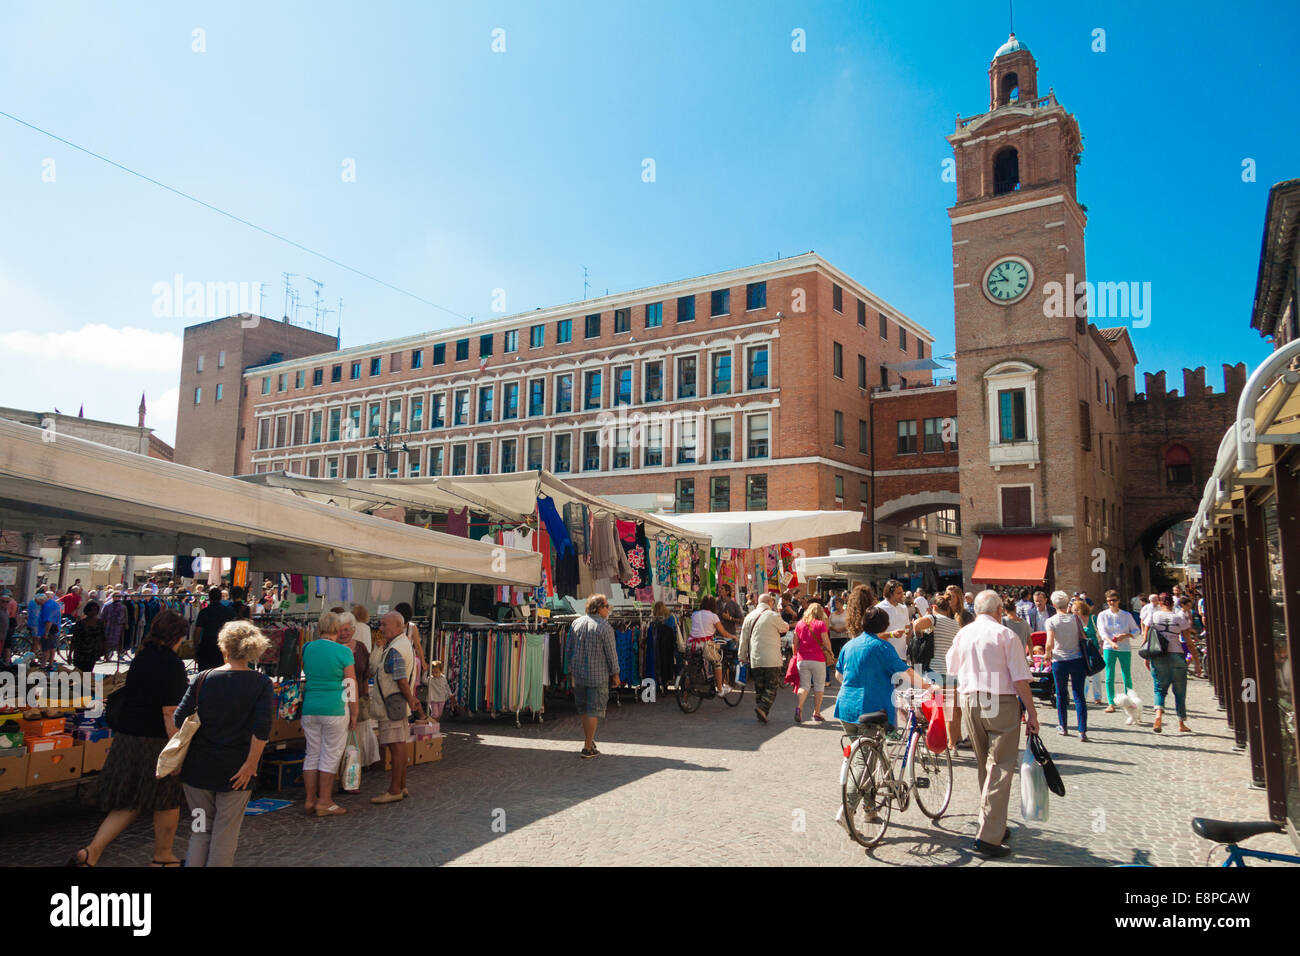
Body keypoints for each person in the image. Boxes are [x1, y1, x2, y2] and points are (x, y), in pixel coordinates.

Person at [67, 610, 190, 867]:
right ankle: (162, 856)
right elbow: (169, 714)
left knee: (129, 803)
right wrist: (177, 751)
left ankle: (92, 852)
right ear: (177, 636)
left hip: (127, 738)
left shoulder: (141, 657)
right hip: (154, 742)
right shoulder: (172, 664)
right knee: (167, 800)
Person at [945, 590, 1039, 857]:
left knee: (985, 762)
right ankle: (988, 836)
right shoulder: (1005, 634)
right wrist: (1031, 712)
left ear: (976, 610)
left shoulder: (963, 633)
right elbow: (1020, 677)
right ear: (999, 611)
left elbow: (952, 666)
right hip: (999, 700)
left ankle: (992, 822)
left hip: (970, 699)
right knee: (1001, 765)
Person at [172, 621, 273, 866]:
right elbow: (262, 729)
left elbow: (178, 719)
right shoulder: (260, 683)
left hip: (196, 771)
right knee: (225, 832)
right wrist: (251, 764)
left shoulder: (202, 678)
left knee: (199, 830)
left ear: (224, 647)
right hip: (236, 770)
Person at [833, 595, 933, 833]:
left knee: (870, 758)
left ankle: (870, 810)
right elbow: (907, 672)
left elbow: (839, 675)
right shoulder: (883, 648)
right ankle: (847, 810)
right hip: (872, 709)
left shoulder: (850, 645)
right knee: (863, 762)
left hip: (846, 709)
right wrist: (930, 686)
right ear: (885, 626)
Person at [300, 610, 357, 817]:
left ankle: (309, 800)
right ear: (336, 629)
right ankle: (325, 801)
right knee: (331, 754)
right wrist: (355, 711)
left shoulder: (307, 648)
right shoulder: (344, 652)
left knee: (312, 753)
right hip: (335, 707)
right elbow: (350, 683)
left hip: (310, 707)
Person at [369, 611, 424, 800]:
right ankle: (401, 786)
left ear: (398, 626)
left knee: (396, 747)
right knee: (399, 745)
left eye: (385, 625)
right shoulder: (402, 644)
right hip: (396, 704)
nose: (381, 628)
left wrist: (411, 699)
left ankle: (394, 790)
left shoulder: (396, 648)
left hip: (391, 704)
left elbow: (400, 679)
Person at [565, 595, 619, 757]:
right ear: (599, 608)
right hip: (597, 676)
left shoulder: (576, 623)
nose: (608, 610)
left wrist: (569, 670)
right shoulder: (604, 627)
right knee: (593, 710)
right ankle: (587, 747)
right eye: (607, 606)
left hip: (579, 675)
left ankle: (590, 739)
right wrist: (615, 674)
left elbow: (568, 649)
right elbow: (611, 654)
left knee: (584, 709)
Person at [1145, 593, 1200, 733]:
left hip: (1158, 655)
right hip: (1177, 654)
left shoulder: (1154, 616)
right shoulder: (1179, 617)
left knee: (1159, 688)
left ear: (1160, 603)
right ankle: (1181, 723)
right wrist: (1197, 661)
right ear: (1171, 604)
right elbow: (1188, 641)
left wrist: (1147, 657)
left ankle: (1158, 716)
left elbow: (1146, 636)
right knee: (1180, 691)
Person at [737, 592, 790, 723]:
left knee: (759, 687)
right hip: (772, 659)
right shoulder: (773, 615)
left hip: (755, 658)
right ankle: (762, 708)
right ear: (770, 603)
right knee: (771, 687)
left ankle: (762, 712)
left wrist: (742, 656)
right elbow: (785, 628)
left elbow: (743, 640)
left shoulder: (749, 616)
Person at [1044, 590, 1088, 740]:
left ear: (1054, 604)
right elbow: (1083, 636)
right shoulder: (1075, 619)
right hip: (1077, 658)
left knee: (1061, 694)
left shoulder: (1051, 621)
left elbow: (1049, 642)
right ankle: (1082, 730)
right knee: (1079, 695)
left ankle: (1063, 726)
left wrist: (1047, 654)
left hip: (1060, 660)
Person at [1096, 589, 1140, 714]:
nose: (1111, 603)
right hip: (1109, 648)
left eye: (1114, 600)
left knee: (1127, 675)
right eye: (1109, 601)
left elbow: (1136, 631)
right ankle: (1111, 702)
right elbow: (1103, 633)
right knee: (1109, 675)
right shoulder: (1103, 615)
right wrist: (1112, 643)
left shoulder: (1126, 615)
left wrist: (1126, 635)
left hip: (1124, 648)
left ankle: (1130, 701)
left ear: (1118, 601)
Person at [793, 602, 832, 723]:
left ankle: (799, 707)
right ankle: (817, 712)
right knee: (819, 685)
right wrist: (830, 652)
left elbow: (795, 642)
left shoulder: (799, 624)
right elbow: (825, 642)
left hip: (802, 659)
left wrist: (795, 655)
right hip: (818, 659)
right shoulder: (820, 624)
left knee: (804, 685)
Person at [689, 595, 734, 694]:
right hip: (705, 645)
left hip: (691, 644)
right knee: (717, 661)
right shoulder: (714, 616)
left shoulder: (695, 614)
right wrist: (733, 637)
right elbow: (723, 633)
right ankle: (720, 689)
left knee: (691, 665)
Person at [194, 586, 237, 672]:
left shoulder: (204, 612)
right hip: (223, 646)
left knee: (204, 673)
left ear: (209, 598)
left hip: (207, 645)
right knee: (222, 673)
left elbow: (197, 631)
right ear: (221, 597)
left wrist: (195, 648)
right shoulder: (229, 612)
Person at [1075, 597, 1104, 705]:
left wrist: (1101, 646)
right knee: (1084, 675)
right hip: (1082, 650)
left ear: (1082, 609)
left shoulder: (1093, 618)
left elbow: (1099, 633)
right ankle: (1084, 696)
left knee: (1096, 673)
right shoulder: (1075, 620)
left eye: (1077, 610)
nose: (1075, 612)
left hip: (1094, 649)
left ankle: (1097, 697)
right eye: (1074, 610)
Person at [874, 580, 911, 659]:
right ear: (890, 594)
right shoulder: (879, 608)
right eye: (899, 593)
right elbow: (875, 635)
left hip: (902, 656)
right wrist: (891, 634)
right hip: (884, 656)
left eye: (902, 593)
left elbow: (907, 628)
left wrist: (909, 637)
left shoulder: (904, 608)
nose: (902, 595)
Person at [70, 599, 106, 672]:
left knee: (88, 673)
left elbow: (102, 638)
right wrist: (70, 654)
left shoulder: (100, 623)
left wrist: (105, 651)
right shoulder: (80, 623)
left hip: (92, 653)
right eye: (92, 610)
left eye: (96, 610)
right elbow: (74, 639)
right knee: (78, 673)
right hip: (79, 652)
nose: (94, 612)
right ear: (87, 611)